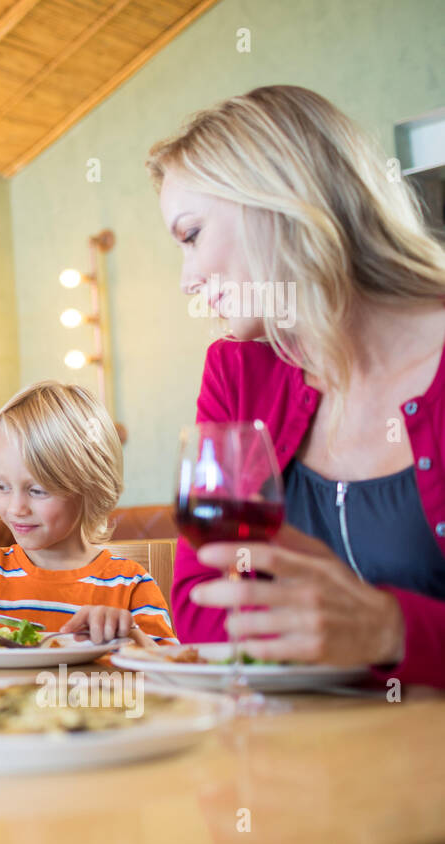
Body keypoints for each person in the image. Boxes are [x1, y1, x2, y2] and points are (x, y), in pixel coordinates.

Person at [149, 85, 445, 687]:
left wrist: (389, 630)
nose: (187, 279)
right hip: (301, 753)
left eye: (191, 234)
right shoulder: (239, 372)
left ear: (276, 200)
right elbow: (201, 609)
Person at [0, 381, 176, 644]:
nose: (15, 508)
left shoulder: (130, 585)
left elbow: (167, 670)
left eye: (38, 491)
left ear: (90, 487)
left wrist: (129, 635)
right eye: (1, 486)